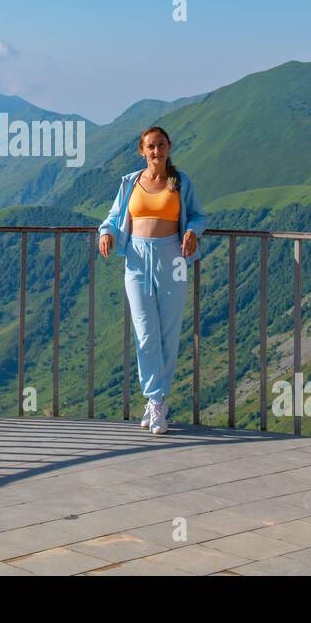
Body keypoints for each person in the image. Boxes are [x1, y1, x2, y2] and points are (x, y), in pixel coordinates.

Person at [97, 126, 208, 435]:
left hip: (172, 258)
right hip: (135, 260)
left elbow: (200, 216)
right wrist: (105, 232)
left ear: (169, 147)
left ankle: (157, 401)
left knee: (168, 333)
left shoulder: (181, 183)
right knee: (145, 332)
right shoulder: (130, 183)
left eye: (161, 145)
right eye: (150, 146)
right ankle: (154, 398)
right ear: (142, 151)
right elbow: (113, 216)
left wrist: (191, 231)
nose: (156, 151)